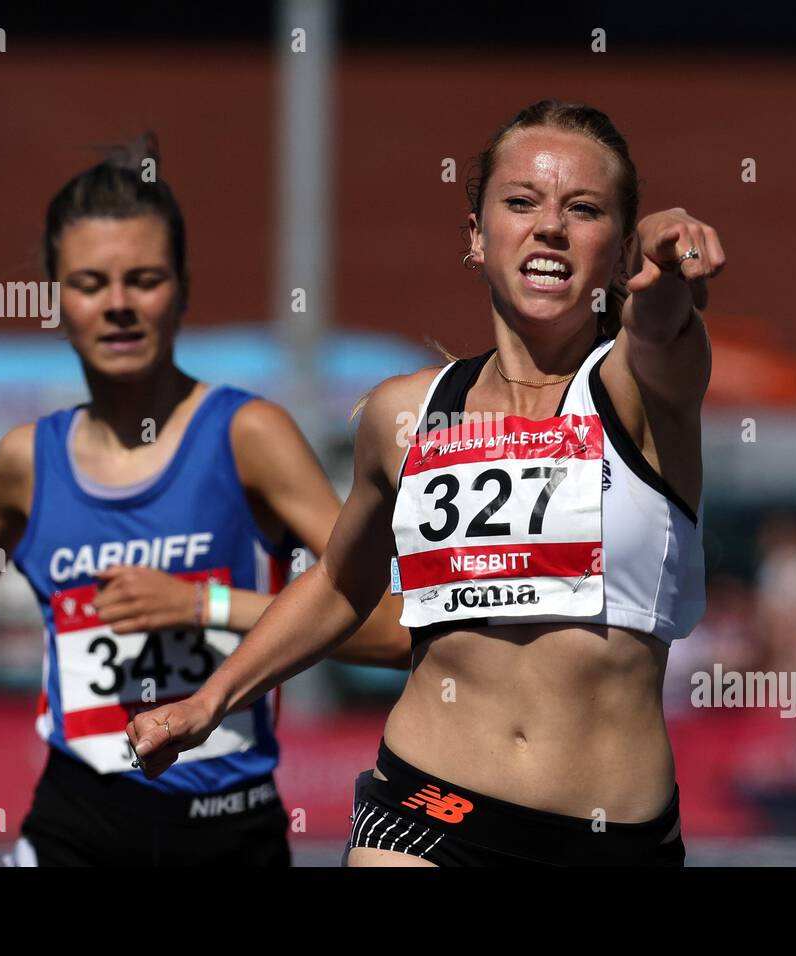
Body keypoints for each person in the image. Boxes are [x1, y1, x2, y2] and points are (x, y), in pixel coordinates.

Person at [128, 101, 721, 867]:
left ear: (616, 250)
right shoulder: (403, 415)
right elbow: (343, 579)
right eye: (520, 202)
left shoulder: (642, 392)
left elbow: (662, 323)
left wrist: (663, 258)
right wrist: (210, 702)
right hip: (428, 809)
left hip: (612, 838)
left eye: (584, 210)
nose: (550, 227)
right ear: (476, 237)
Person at [0, 135, 410, 866]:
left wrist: (201, 606)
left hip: (225, 831)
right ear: (56, 298)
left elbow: (390, 631)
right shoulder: (27, 461)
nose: (119, 305)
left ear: (182, 287)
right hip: (73, 828)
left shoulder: (248, 437)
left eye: (144, 279)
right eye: (91, 284)